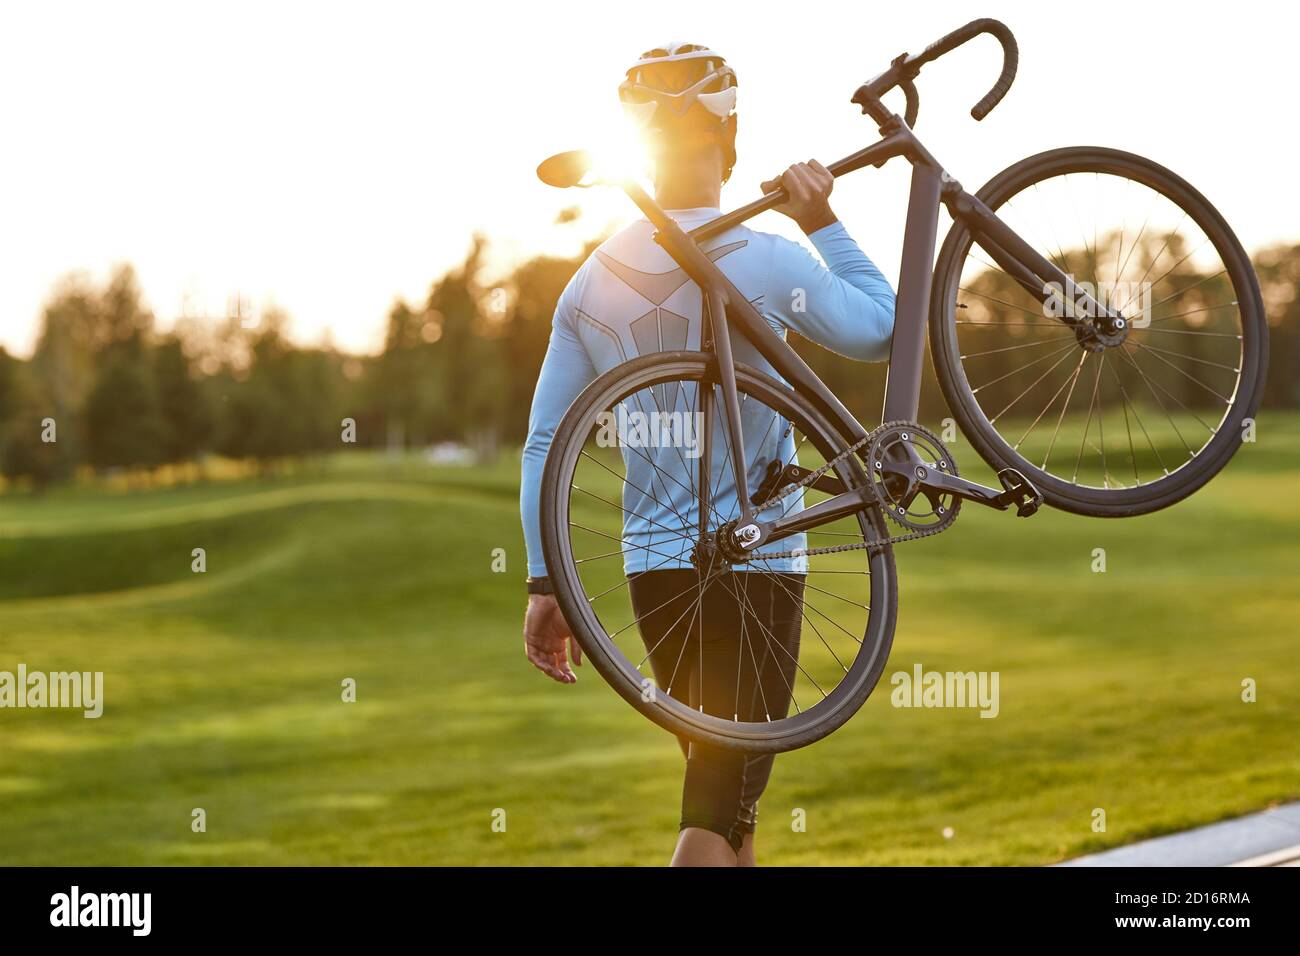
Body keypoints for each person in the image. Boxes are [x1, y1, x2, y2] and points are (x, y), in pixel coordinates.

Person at [519, 41, 895, 866]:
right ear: (728, 140)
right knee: (716, 805)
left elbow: (546, 441)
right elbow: (884, 329)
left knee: (730, 800)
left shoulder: (592, 280)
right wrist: (823, 220)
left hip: (654, 573)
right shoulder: (764, 255)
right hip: (760, 562)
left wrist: (547, 581)